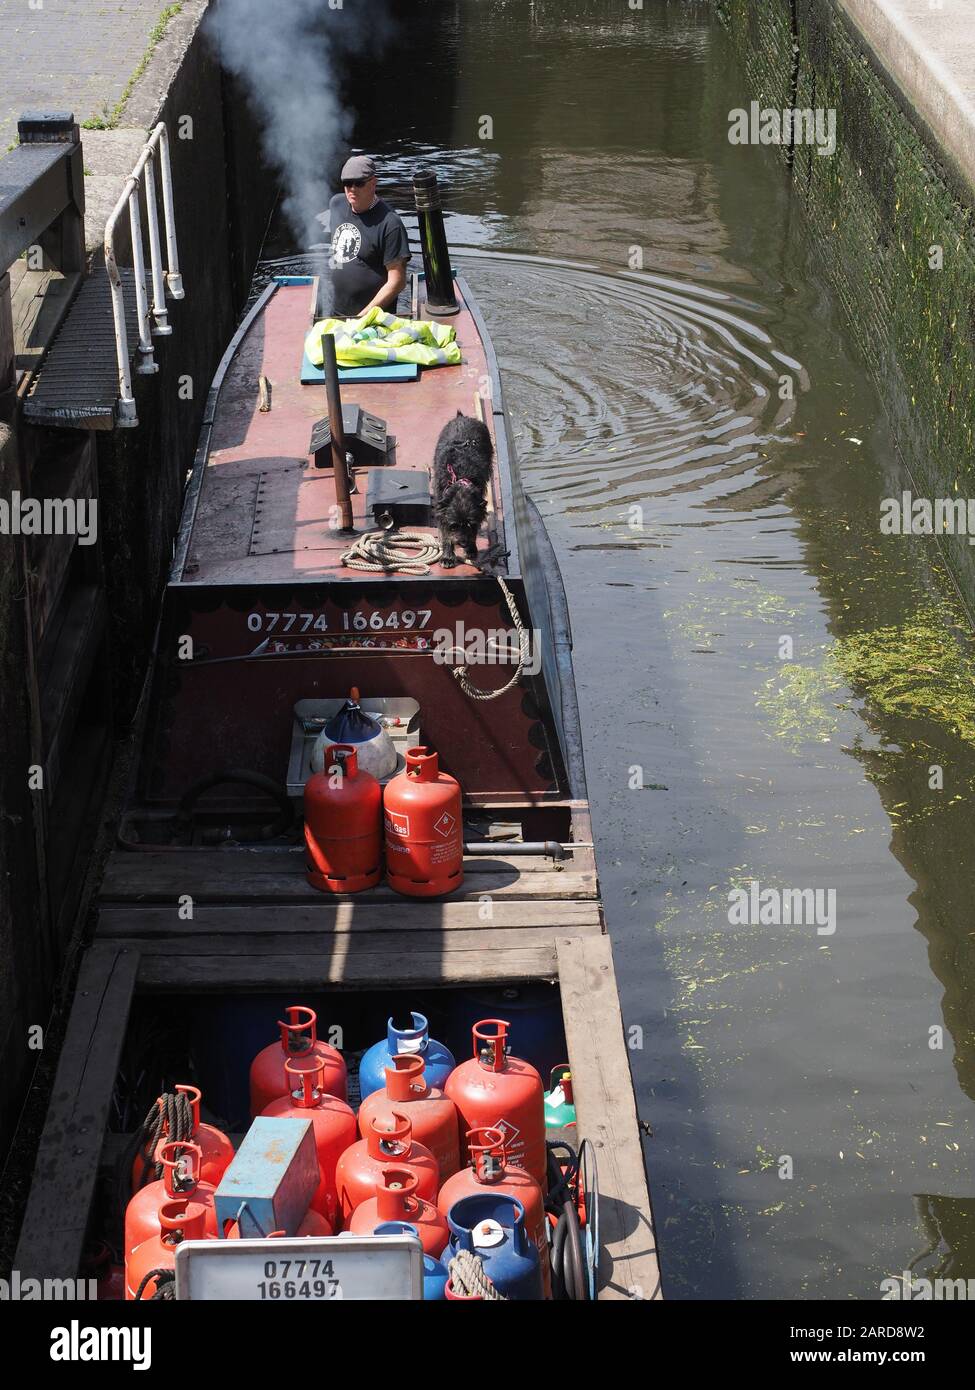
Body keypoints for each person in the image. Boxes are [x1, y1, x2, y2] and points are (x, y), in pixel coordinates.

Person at [326, 155, 411, 319]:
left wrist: (362, 318)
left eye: (359, 183)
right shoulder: (336, 204)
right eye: (347, 183)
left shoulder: (390, 224)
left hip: (373, 320)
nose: (352, 188)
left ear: (373, 183)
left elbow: (397, 281)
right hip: (336, 313)